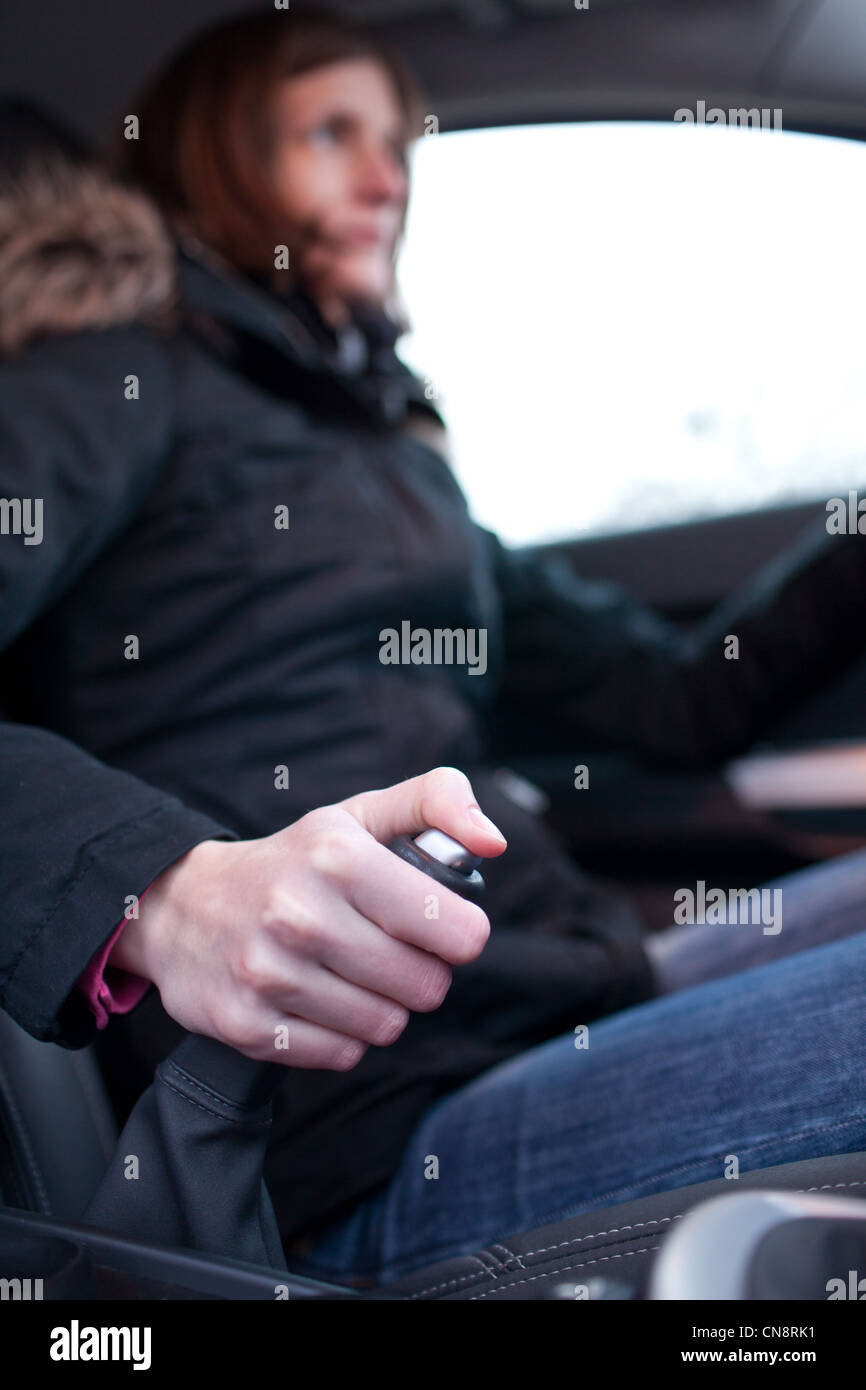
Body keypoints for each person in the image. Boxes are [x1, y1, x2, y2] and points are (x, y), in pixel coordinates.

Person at [0, 9, 865, 1287]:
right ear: (218, 158)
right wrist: (159, 888)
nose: (385, 173)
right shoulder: (117, 379)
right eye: (328, 132)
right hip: (358, 1128)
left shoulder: (394, 464)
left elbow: (679, 700)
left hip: (549, 986)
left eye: (394, 139)